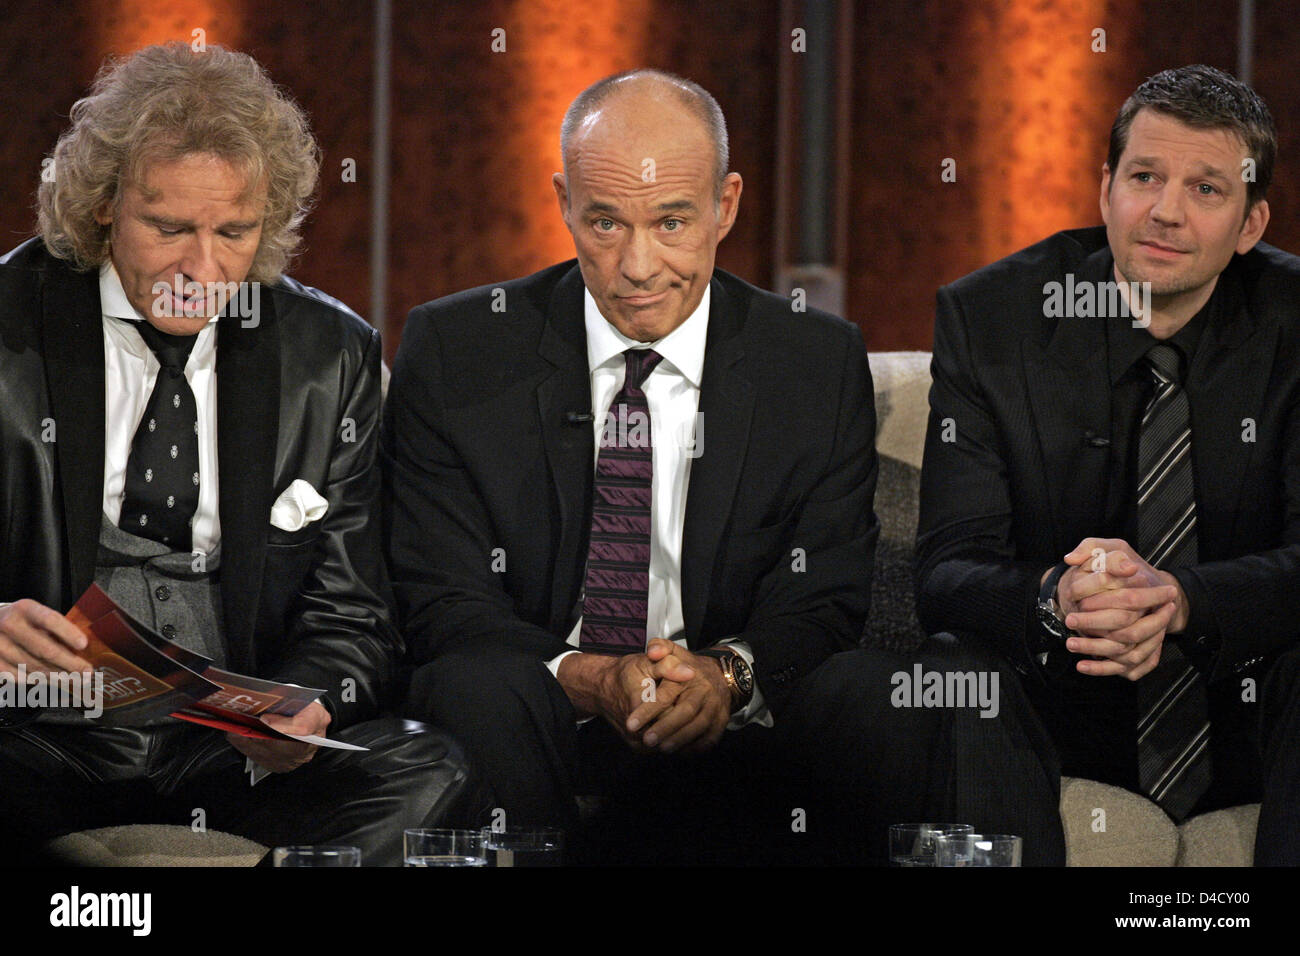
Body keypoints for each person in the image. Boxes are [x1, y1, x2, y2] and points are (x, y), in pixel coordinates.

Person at [386, 69, 1061, 864]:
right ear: (564, 201)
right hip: (541, 709)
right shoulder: (458, 351)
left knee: (886, 690)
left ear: (726, 205)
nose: (637, 267)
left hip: (740, 733)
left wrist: (726, 678)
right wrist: (594, 678)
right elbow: (441, 598)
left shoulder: (812, 359)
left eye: (671, 222)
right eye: (605, 223)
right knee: (471, 684)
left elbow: (824, 597)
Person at [0, 42, 478, 866]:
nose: (203, 268)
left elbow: (353, 613)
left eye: (235, 232)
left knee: (427, 767)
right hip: (34, 741)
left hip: (222, 756)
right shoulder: (8, 322)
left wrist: (303, 707)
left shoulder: (330, 355)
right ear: (105, 203)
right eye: (170, 228)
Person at [917, 64, 1300, 865]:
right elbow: (948, 571)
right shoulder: (993, 322)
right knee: (948, 671)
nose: (1163, 211)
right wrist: (1059, 599)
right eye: (1144, 177)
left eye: (1205, 189)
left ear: (1251, 222)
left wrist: (1182, 601)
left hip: (1253, 703)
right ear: (1105, 189)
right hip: (1060, 707)